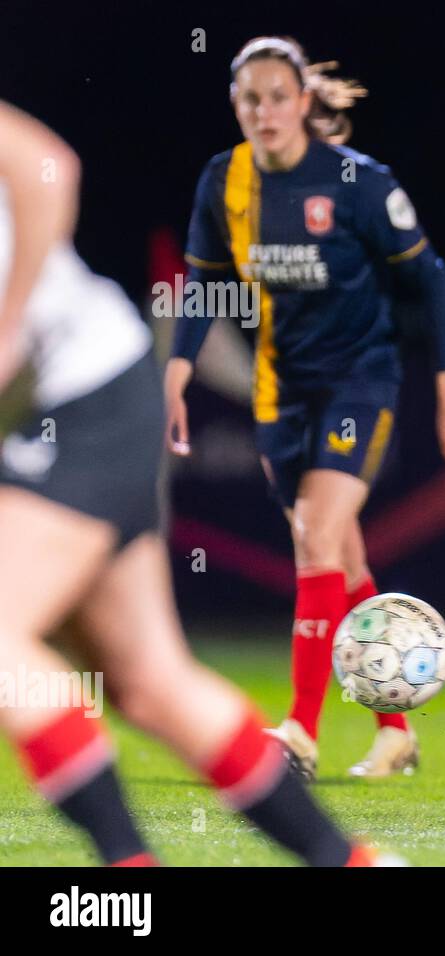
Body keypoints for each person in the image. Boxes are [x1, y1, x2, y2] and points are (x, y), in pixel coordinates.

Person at [0, 99, 385, 865]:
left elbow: (49, 171)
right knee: (150, 682)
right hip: (56, 406)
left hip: (78, 393)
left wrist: (10, 328)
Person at [166, 37, 445, 780]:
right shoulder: (225, 180)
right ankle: (396, 732)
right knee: (341, 556)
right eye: (250, 98)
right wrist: (176, 374)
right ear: (236, 105)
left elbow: (430, 282)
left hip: (359, 383)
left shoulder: (357, 182)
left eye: (279, 95)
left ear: (304, 101)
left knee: (313, 535)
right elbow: (204, 281)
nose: (265, 110)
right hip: (280, 393)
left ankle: (300, 733)